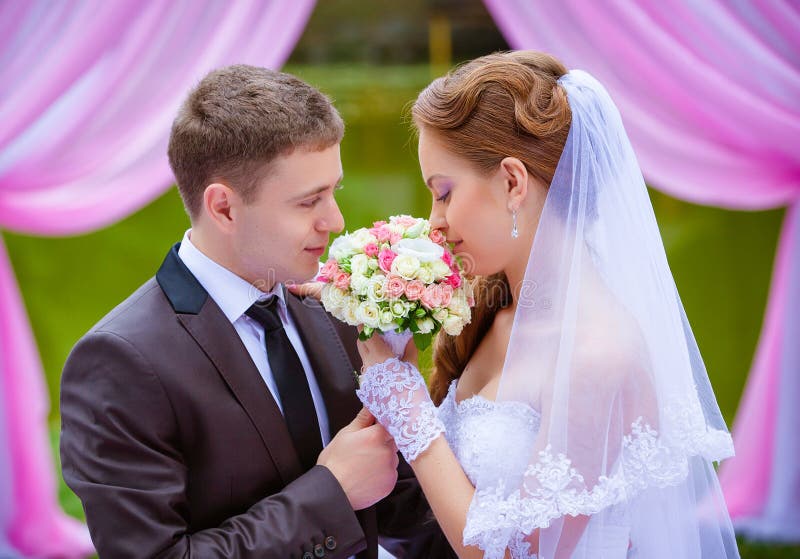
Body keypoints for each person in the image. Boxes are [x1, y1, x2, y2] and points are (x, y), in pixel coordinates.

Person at [350, 51, 740, 558]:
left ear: (513, 183)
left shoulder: (596, 354)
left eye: (444, 192)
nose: (435, 221)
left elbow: (515, 553)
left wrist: (411, 414)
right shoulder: (497, 307)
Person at [59, 64, 453, 559]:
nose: (335, 220)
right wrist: (330, 493)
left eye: (335, 191)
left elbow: (391, 499)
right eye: (309, 201)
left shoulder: (334, 304)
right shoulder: (120, 362)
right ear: (224, 207)